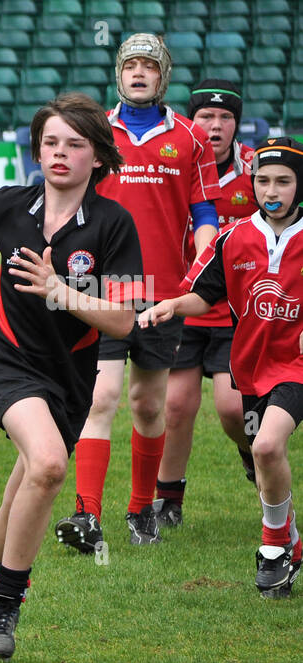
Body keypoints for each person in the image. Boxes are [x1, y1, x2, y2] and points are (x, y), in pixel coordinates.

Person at [0, 93, 141, 663]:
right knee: (49, 465)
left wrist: (60, 291)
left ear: (97, 156)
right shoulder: (9, 206)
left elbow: (123, 318)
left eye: (75, 144)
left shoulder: (113, 224)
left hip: (70, 372)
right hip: (5, 354)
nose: (60, 153)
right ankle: (5, 604)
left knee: (26, 481)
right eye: (51, 142)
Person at [55, 34, 222, 551]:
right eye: (131, 65)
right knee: (100, 396)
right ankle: (87, 515)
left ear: (163, 75)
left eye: (150, 65)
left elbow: (205, 214)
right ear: (118, 73)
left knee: (149, 406)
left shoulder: (191, 138)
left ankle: (140, 510)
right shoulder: (96, 133)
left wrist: (203, 256)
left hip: (163, 292)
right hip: (103, 287)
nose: (139, 73)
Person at [141, 137, 303, 598]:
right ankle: (289, 537)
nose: (272, 189)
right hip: (251, 369)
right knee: (263, 452)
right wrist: (172, 305)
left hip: (296, 366)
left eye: (284, 181)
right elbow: (205, 294)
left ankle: (273, 548)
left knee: (268, 446)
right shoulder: (234, 239)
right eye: (264, 180)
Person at [154, 80, 258, 527]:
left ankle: (256, 455)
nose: (215, 126)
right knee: (176, 407)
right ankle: (168, 501)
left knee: (234, 410)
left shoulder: (256, 170)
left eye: (226, 118)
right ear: (189, 120)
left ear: (236, 124)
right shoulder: (173, 165)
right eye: (205, 117)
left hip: (237, 312)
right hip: (185, 303)